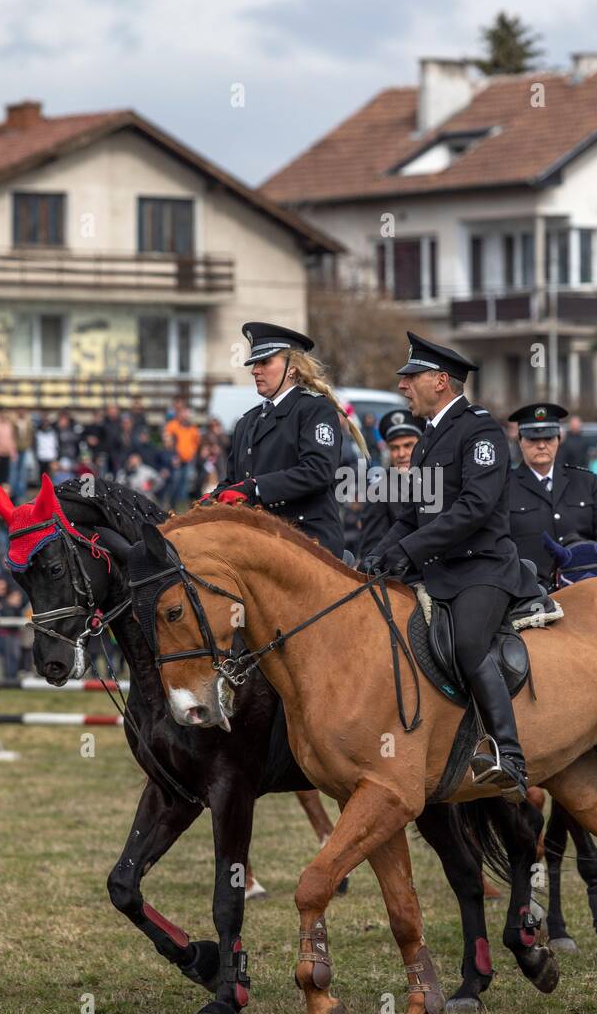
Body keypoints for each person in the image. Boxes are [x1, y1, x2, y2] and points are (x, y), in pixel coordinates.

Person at [360, 332, 559, 797]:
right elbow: (410, 512)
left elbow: (473, 508)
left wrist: (410, 550)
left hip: (483, 569)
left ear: (441, 381)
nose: (404, 386)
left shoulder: (481, 431)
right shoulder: (429, 438)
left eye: (411, 378)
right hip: (437, 569)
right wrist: (380, 555)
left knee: (469, 646)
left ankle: (509, 755)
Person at [205, 321, 365, 557]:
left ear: (292, 368)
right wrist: (212, 499)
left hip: (306, 537)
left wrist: (255, 488)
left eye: (264, 362)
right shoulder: (247, 421)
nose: (254, 370)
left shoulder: (314, 409)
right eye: (253, 363)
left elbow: (318, 471)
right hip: (259, 537)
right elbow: (233, 480)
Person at [507, 402, 597, 587]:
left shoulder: (585, 481)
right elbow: (497, 542)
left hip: (587, 586)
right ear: (520, 441)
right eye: (533, 439)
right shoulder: (504, 487)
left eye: (549, 438)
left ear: (559, 439)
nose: (542, 445)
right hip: (528, 594)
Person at [357, 408, 425, 561]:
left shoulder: (437, 478)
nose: (401, 454)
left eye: (408, 445)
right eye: (395, 448)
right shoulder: (379, 489)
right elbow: (372, 549)